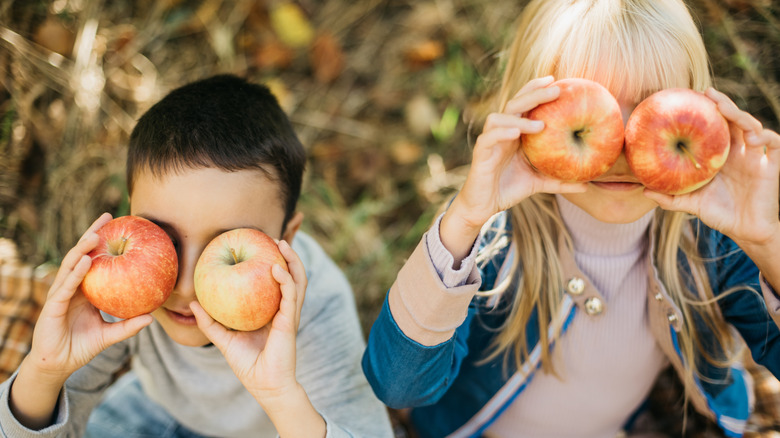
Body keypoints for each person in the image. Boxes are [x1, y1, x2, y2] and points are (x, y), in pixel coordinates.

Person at [361, 0, 780, 437]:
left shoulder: (710, 248)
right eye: (590, 114)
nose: (620, 149)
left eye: (649, 110)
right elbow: (397, 388)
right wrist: (465, 219)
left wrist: (767, 242)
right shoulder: (489, 244)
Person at [0, 74, 393, 438]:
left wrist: (280, 395)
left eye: (224, 247)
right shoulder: (127, 278)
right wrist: (45, 370)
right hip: (153, 410)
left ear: (286, 235)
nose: (185, 285)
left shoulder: (318, 307)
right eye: (165, 239)